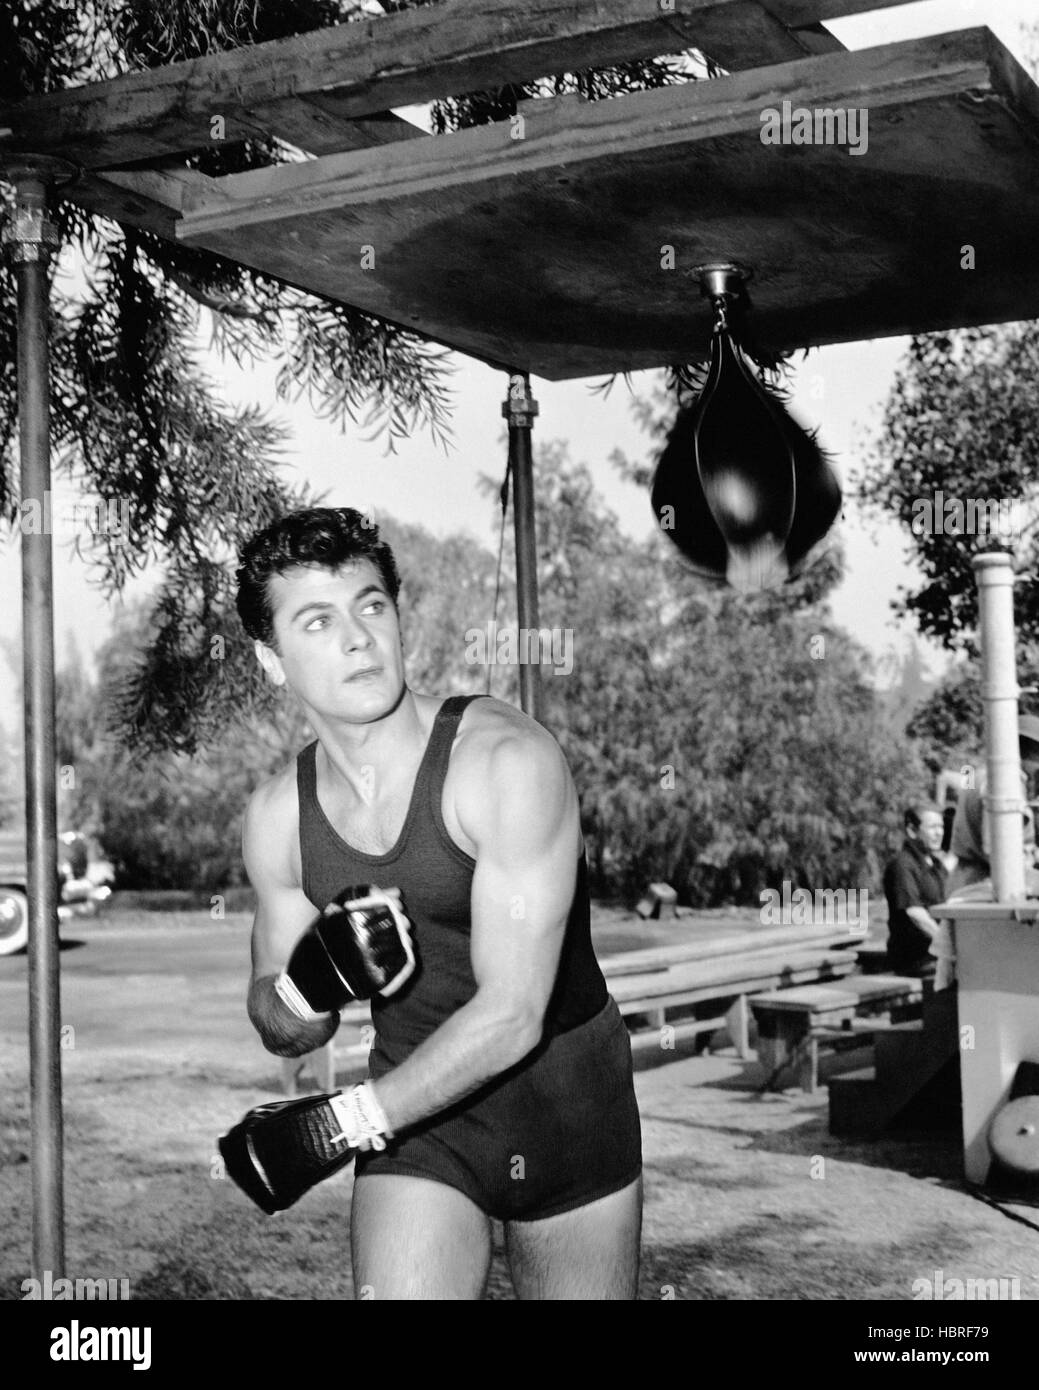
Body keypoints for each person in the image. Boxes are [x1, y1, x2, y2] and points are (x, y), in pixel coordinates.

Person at [233, 506, 642, 1300]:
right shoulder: (279, 818)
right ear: (270, 659)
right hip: (417, 1117)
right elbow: (278, 1024)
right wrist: (306, 989)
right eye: (317, 621)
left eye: (370, 606)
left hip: (563, 1110)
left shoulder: (505, 761)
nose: (357, 638)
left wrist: (341, 1124)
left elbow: (513, 1014)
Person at [947, 717, 1039, 895]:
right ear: (1031, 753)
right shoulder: (1006, 783)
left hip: (971, 883)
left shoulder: (981, 775)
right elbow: (1001, 854)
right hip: (986, 889)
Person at [882, 802, 948, 977]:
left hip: (937, 955)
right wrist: (948, 944)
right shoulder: (902, 866)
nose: (939, 832)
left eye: (941, 827)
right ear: (912, 830)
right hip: (916, 960)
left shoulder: (937, 865)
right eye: (933, 827)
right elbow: (915, 914)